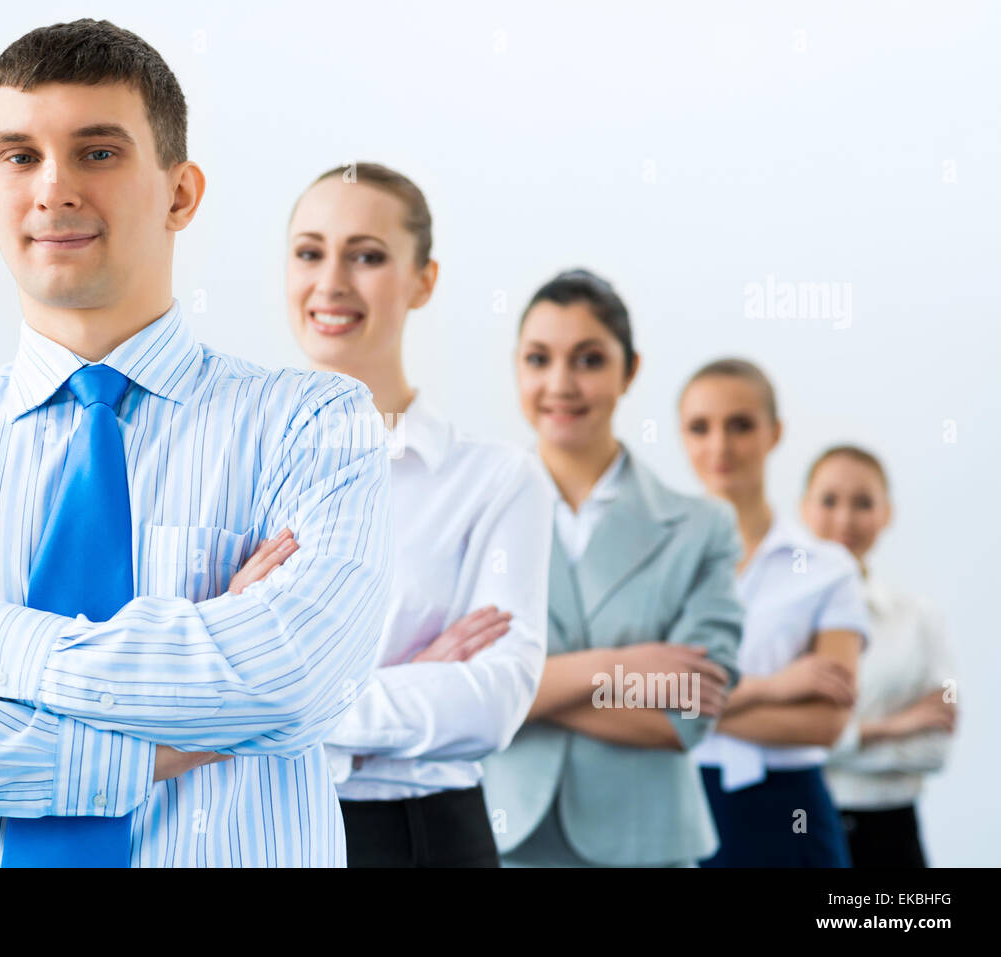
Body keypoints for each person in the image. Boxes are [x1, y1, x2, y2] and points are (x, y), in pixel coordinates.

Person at [0, 18, 393, 868]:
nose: (53, 187)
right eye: (20, 155)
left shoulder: (315, 424)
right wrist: (158, 746)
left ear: (180, 193)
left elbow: (295, 679)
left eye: (98, 152)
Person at [283, 162, 554, 867]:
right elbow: (189, 684)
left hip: (419, 838)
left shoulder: (495, 479)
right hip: (260, 828)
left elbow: (492, 699)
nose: (332, 281)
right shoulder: (238, 469)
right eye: (310, 252)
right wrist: (404, 687)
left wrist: (289, 713)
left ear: (423, 280)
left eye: (366, 255)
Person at [480, 269, 743, 868]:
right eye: (539, 359)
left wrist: (516, 687)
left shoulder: (702, 527)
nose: (560, 384)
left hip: (648, 845)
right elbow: (451, 689)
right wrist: (620, 668)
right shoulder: (476, 512)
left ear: (631, 370)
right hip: (504, 839)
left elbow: (685, 713)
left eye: (589, 359)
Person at [680, 358, 868, 867]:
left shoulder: (830, 569)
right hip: (675, 803)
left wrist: (686, 708)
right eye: (700, 427)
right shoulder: (652, 563)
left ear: (775, 432)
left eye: (740, 425)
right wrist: (775, 689)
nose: (719, 446)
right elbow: (629, 699)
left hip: (789, 812)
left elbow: (824, 723)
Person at [802, 445, 956, 867]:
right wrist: (898, 725)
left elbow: (936, 748)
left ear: (886, 513)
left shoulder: (919, 619)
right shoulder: (784, 622)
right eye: (829, 500)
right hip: (803, 824)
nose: (845, 519)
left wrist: (830, 737)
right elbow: (776, 739)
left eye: (864, 502)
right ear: (804, 509)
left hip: (892, 835)